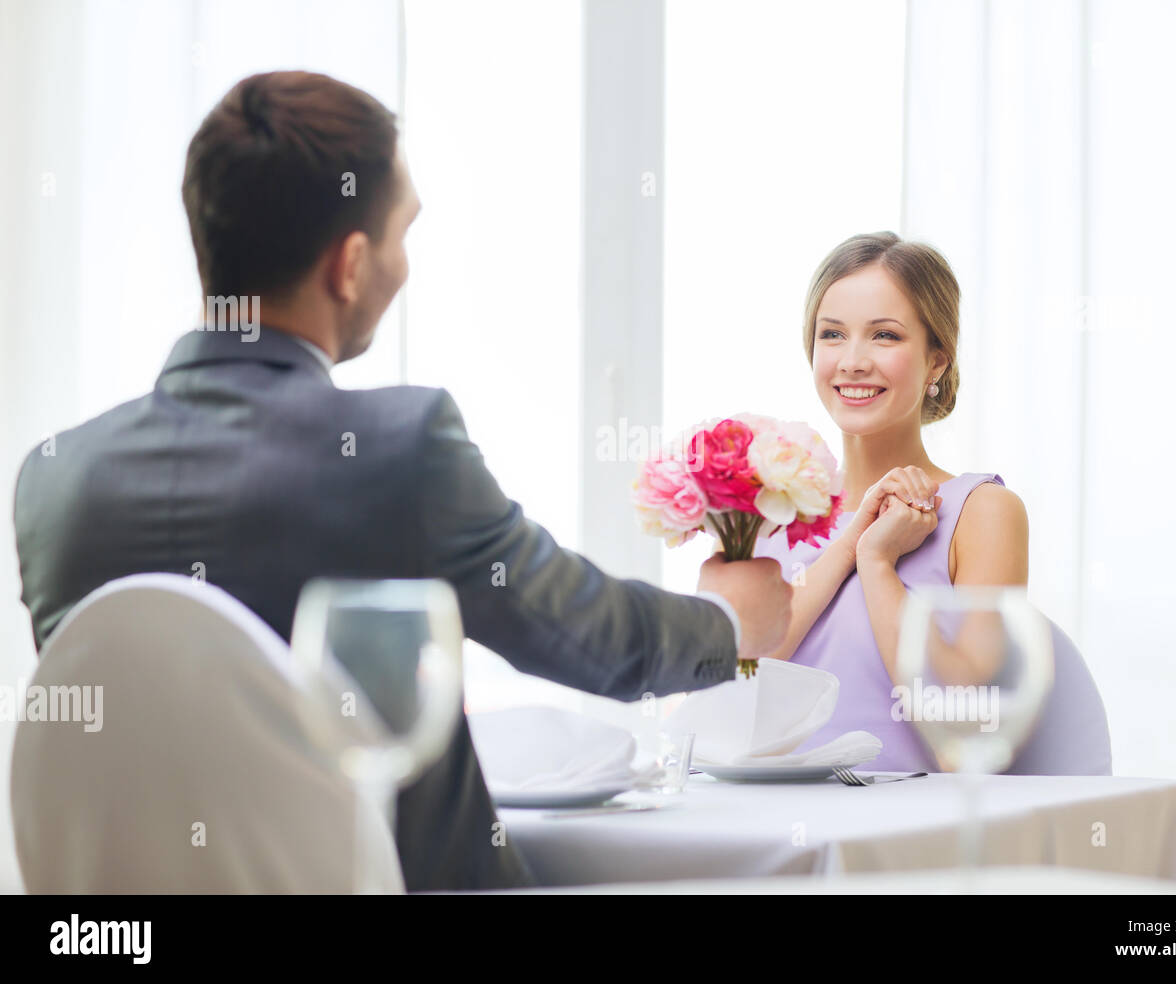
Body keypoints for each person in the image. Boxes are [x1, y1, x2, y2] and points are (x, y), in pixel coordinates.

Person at [11, 70, 793, 890]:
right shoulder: (396, 449)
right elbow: (587, 636)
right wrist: (725, 625)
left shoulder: (53, 483)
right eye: (401, 232)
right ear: (350, 264)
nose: (404, 262)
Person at [753, 232, 1111, 775]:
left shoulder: (982, 511)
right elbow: (730, 695)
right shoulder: (771, 512)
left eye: (885, 336)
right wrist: (852, 542)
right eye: (832, 335)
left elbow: (962, 732)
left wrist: (879, 565)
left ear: (937, 361)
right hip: (761, 819)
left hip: (913, 835)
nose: (852, 361)